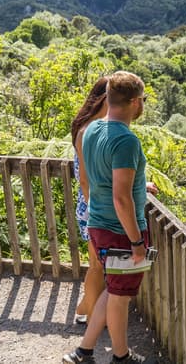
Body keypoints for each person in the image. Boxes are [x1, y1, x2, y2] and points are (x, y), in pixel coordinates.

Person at [64, 71, 156, 364]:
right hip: (121, 231)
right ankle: (121, 357)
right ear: (133, 102)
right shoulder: (126, 141)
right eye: (142, 100)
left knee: (113, 287)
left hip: (97, 224)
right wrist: (136, 241)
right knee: (120, 296)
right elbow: (121, 197)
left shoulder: (91, 130)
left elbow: (97, 179)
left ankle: (84, 351)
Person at [70, 76, 109, 325]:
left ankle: (87, 309)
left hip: (93, 205)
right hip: (93, 207)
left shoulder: (95, 126)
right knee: (96, 265)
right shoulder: (88, 130)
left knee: (99, 264)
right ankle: (89, 311)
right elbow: (86, 180)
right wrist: (98, 211)